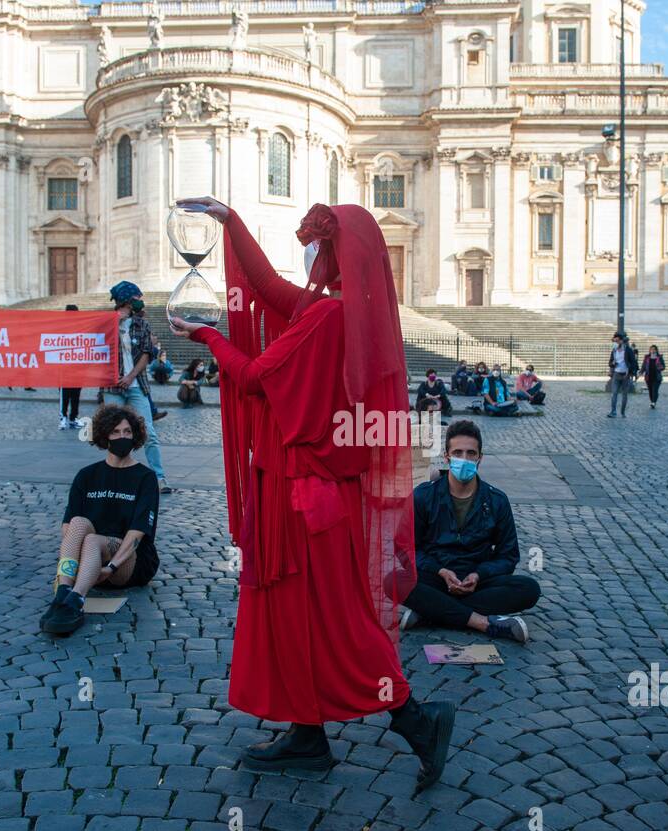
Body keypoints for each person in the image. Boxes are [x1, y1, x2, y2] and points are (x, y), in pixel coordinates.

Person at [170, 195, 456, 792]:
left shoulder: (327, 319)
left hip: (302, 501)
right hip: (306, 495)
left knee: (336, 619)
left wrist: (206, 337)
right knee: (298, 615)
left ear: (332, 250)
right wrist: (230, 220)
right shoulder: (341, 315)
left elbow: (252, 377)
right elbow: (269, 287)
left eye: (317, 244)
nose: (309, 254)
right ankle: (307, 733)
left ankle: (416, 719)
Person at [396, 420, 539, 641]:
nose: (464, 458)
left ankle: (431, 610)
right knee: (394, 581)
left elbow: (508, 557)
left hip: (478, 582)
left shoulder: (497, 500)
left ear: (480, 458)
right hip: (436, 577)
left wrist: (478, 574)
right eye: (457, 452)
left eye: (471, 453)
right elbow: (406, 549)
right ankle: (482, 623)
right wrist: (441, 571)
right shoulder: (424, 496)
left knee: (529, 588)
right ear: (446, 457)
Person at [40, 405, 161, 636]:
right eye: (116, 432)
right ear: (105, 436)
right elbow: (67, 527)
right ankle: (63, 591)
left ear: (135, 435)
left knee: (94, 540)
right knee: (78, 523)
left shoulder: (145, 478)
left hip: (127, 562)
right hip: (89, 561)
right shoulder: (87, 475)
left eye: (127, 432)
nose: (122, 437)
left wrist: (111, 567)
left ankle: (75, 601)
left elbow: (138, 533)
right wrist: (75, 564)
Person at [107, 281, 172, 493]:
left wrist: (129, 376)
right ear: (126, 301)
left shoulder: (141, 324)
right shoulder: (106, 323)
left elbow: (146, 353)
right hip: (112, 387)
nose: (140, 302)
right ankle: (116, 477)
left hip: (136, 385)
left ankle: (159, 477)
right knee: (114, 434)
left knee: (149, 433)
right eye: (137, 298)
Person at [58, 304, 84, 430]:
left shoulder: (82, 327)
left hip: (77, 367)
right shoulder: (61, 327)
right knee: (64, 394)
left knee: (75, 395)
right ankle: (63, 417)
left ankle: (73, 418)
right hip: (64, 368)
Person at [606, 332, 637, 418]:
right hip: (616, 373)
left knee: (624, 394)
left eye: (616, 340)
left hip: (625, 375)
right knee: (614, 393)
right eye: (615, 341)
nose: (615, 343)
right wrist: (612, 364)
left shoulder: (628, 350)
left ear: (621, 340)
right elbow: (610, 362)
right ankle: (613, 411)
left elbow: (633, 362)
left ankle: (622, 412)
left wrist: (630, 372)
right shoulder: (614, 350)